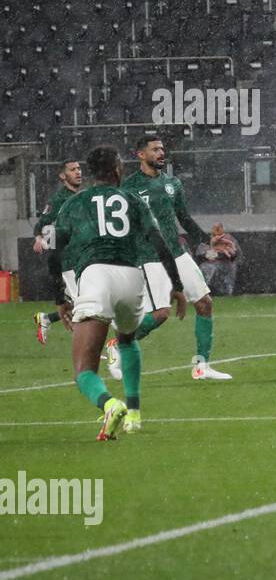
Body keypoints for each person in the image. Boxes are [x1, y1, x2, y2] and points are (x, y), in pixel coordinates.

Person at [46, 145, 186, 440]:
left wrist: (60, 299)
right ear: (117, 169)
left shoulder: (74, 203)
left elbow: (54, 252)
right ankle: (134, 412)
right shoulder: (132, 199)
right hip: (131, 276)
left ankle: (111, 405)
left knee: (84, 370)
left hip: (97, 275)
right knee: (126, 339)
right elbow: (160, 243)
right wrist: (178, 285)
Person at [118, 134, 230, 380]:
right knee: (160, 315)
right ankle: (119, 344)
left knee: (204, 303)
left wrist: (205, 239)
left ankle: (201, 366)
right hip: (150, 256)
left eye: (162, 149)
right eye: (155, 149)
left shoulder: (173, 184)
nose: (161, 153)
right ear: (141, 155)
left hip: (178, 253)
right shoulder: (128, 187)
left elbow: (184, 218)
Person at [31, 159, 83, 345]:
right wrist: (38, 237)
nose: (78, 172)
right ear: (63, 176)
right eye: (72, 169)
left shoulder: (81, 196)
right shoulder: (59, 199)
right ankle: (88, 347)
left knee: (85, 302)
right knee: (87, 305)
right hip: (68, 261)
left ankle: (47, 318)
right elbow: (42, 223)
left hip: (82, 260)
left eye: (79, 168)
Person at [198, 222, 240, 295]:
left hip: (227, 266)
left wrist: (227, 251)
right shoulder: (207, 239)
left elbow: (234, 254)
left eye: (219, 228)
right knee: (207, 269)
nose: (217, 231)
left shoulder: (229, 239)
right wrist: (212, 246)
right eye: (215, 228)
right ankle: (207, 291)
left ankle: (226, 293)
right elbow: (204, 255)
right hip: (209, 265)